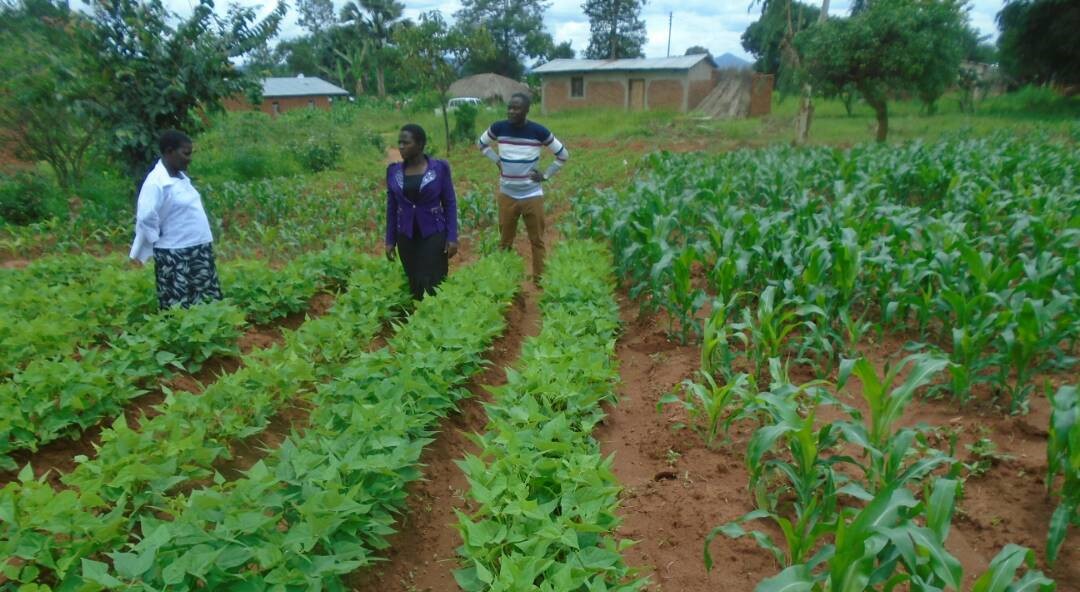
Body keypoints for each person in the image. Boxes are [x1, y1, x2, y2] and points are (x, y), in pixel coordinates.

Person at [477, 92, 569, 281]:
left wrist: (545, 175)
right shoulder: (498, 128)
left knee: (537, 241)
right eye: (510, 107)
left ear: (527, 110)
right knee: (505, 242)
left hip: (532, 195)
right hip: (507, 195)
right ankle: (505, 279)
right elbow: (481, 144)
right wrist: (497, 160)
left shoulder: (539, 131)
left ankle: (539, 279)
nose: (511, 111)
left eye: (517, 108)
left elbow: (563, 155)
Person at [130, 130, 222, 310]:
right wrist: (155, 236)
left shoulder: (180, 178)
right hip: (175, 253)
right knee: (178, 303)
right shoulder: (156, 182)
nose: (189, 158)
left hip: (198, 247)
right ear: (170, 152)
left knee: (205, 300)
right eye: (185, 153)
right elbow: (146, 215)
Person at [385, 123, 459, 299]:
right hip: (406, 235)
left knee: (435, 280)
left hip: (433, 232)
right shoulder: (393, 171)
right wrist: (390, 240)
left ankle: (437, 317)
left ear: (420, 144)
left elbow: (449, 203)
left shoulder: (439, 168)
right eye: (399, 143)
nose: (401, 147)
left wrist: (452, 237)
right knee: (414, 280)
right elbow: (392, 207)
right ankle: (419, 321)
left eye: (406, 143)